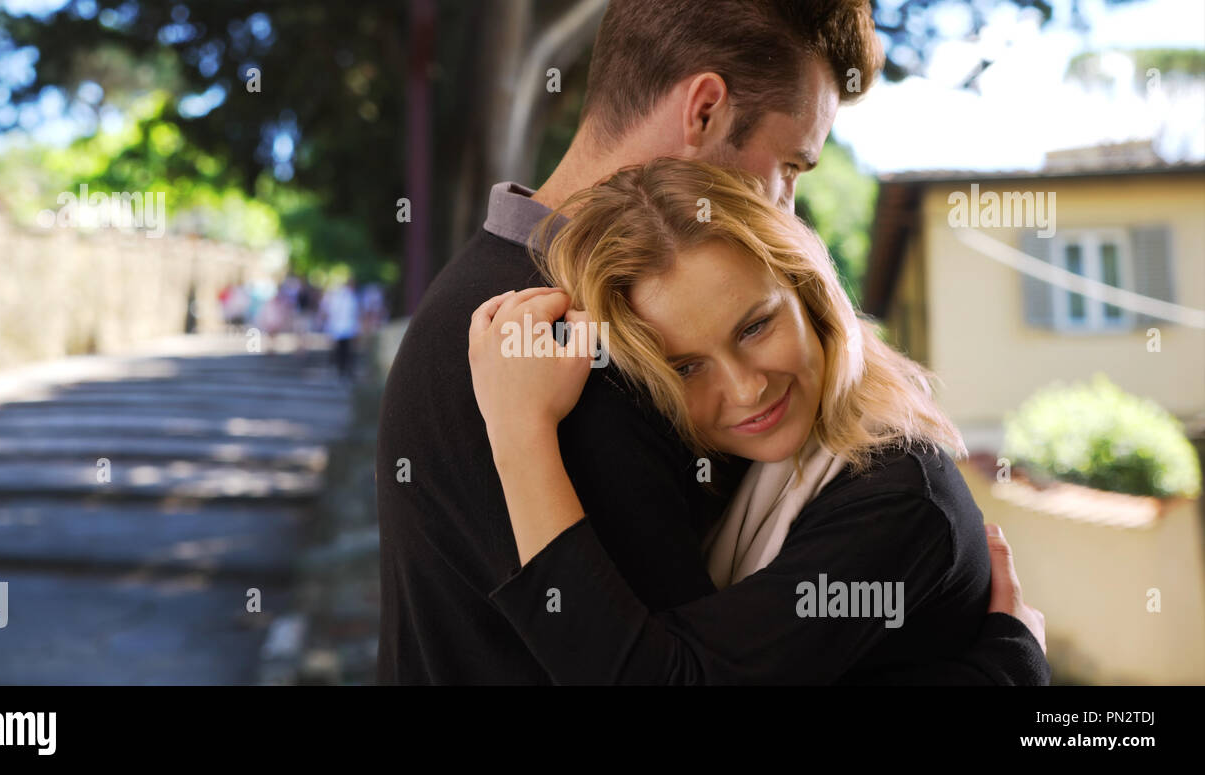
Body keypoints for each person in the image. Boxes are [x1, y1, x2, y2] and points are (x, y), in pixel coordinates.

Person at [377, 0, 1047, 684]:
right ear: (704, 111)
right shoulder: (572, 358)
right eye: (790, 165)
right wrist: (1006, 667)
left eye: (755, 325)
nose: (784, 208)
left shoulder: (474, 298)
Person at [469, 158, 1047, 682]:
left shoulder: (899, 496)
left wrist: (521, 431)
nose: (746, 388)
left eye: (755, 327)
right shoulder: (730, 468)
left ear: (808, 291)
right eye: (686, 367)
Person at [322, 280, 360, 380]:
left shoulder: (342, 297)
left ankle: (342, 369)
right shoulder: (349, 297)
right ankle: (342, 369)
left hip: (342, 327)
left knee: (343, 349)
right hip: (344, 327)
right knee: (344, 350)